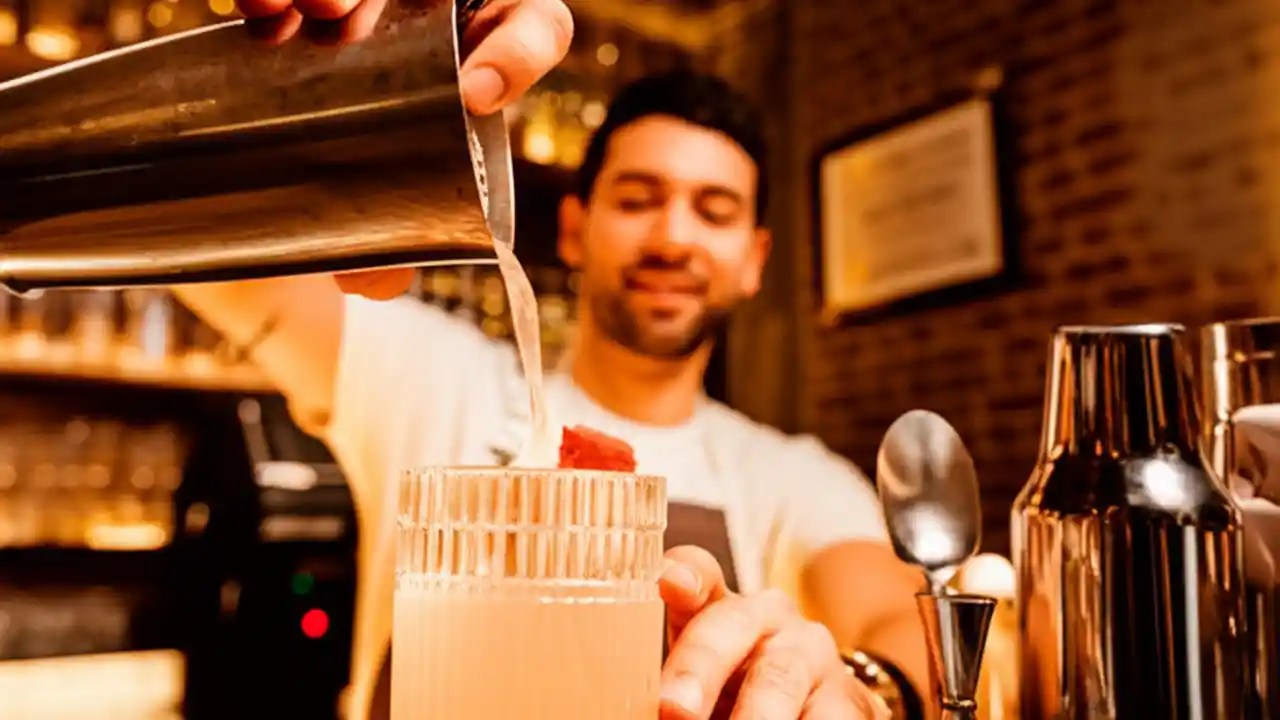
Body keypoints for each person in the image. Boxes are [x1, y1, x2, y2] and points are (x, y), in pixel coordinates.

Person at [182, 2, 928, 718]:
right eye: (638, 198)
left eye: (714, 209)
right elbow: (204, 238)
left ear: (753, 260)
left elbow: (901, 623)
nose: (673, 236)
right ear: (575, 230)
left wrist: (860, 685)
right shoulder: (432, 379)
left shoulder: (790, 476)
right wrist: (342, 64)